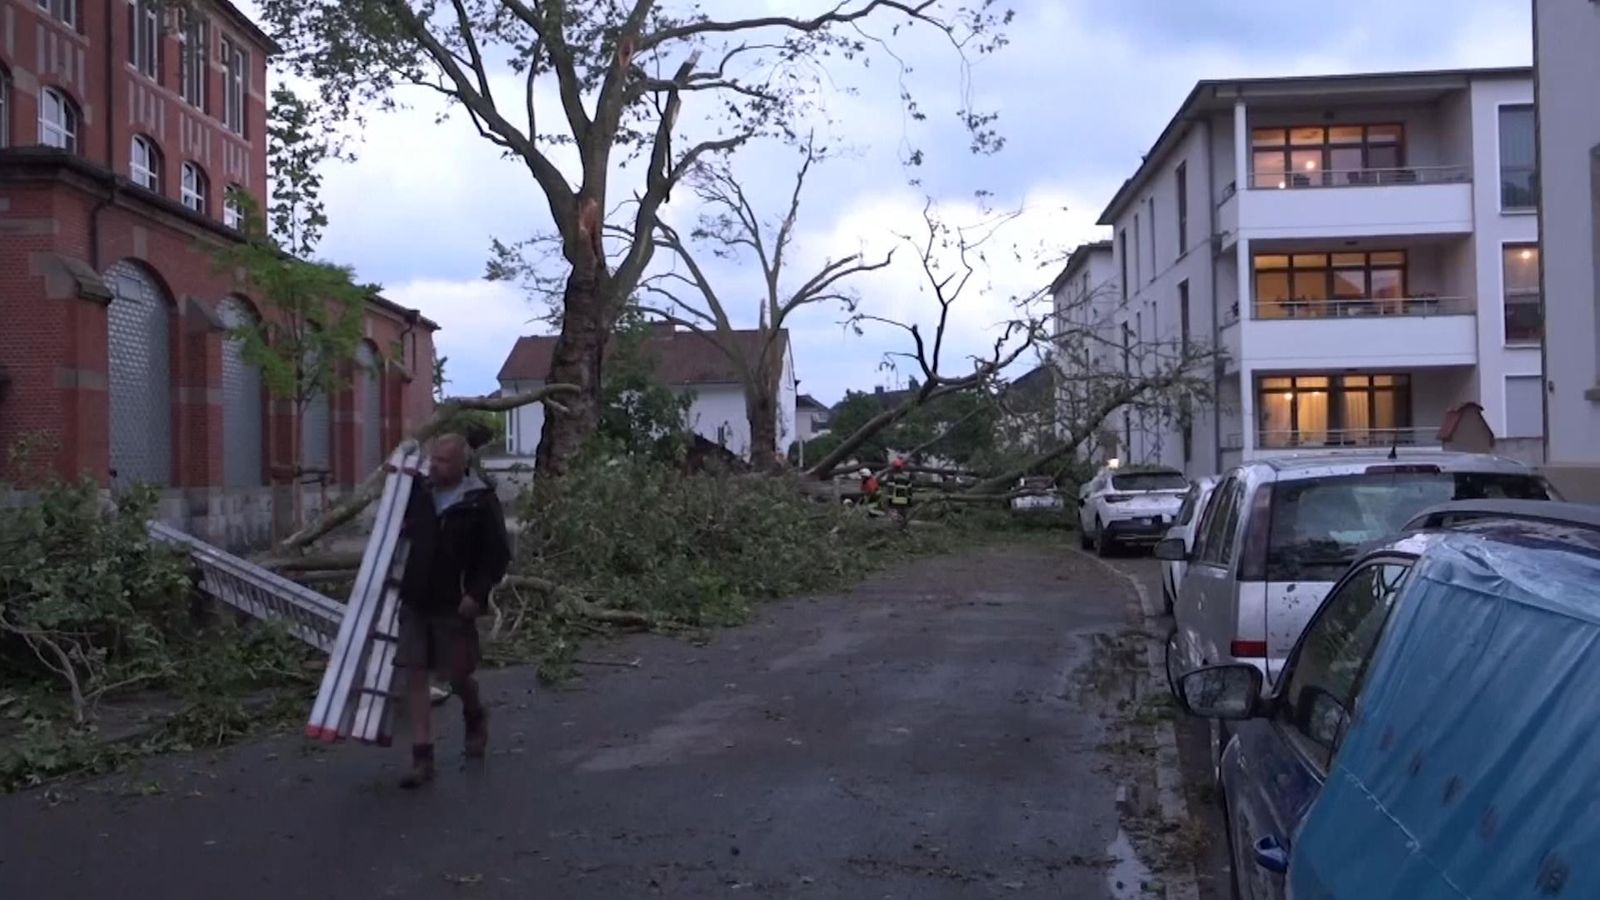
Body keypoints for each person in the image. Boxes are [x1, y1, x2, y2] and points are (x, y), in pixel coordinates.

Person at [395, 433, 511, 788]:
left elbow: (497, 555)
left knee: (458, 674)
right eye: (434, 459)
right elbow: (397, 533)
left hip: (454, 602)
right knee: (415, 673)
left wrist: (476, 594)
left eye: (444, 461)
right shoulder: (418, 494)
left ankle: (474, 714)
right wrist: (393, 479)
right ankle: (422, 757)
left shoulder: (479, 501)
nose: (435, 466)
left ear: (463, 464)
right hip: (416, 599)